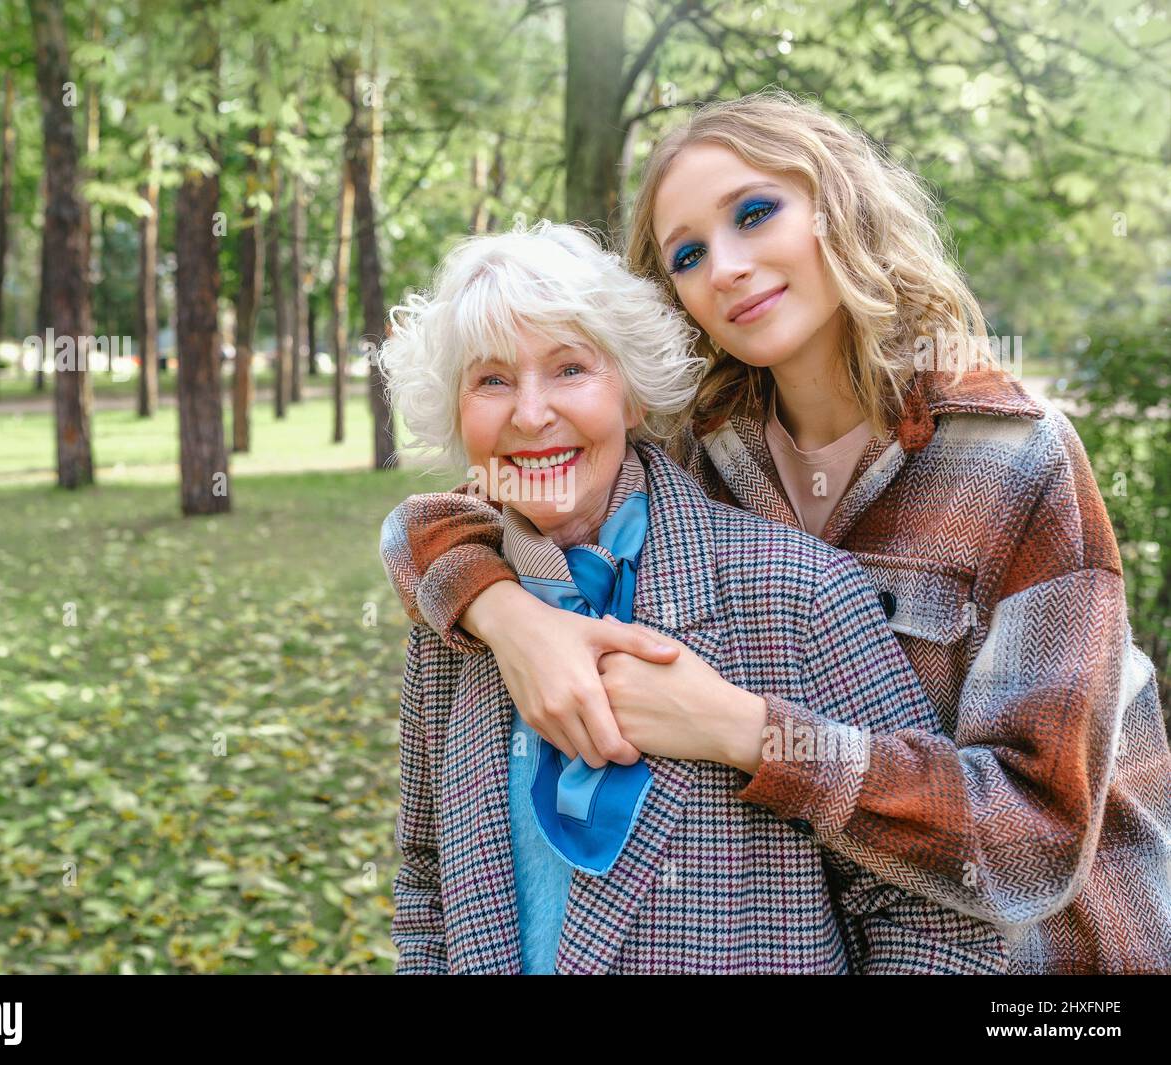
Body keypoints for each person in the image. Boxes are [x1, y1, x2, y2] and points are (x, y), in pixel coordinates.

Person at [379, 91, 1171, 974]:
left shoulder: (1014, 459)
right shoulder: (701, 448)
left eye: (756, 214)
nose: (727, 266)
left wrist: (746, 731)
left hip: (1066, 955)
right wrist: (512, 619)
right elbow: (455, 510)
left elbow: (1040, 834)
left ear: (840, 205)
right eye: (687, 254)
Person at [381, 221, 1005, 974]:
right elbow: (423, 874)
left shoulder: (796, 594)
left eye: (570, 368)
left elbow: (937, 919)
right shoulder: (456, 615)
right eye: (491, 380)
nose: (530, 413)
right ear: (456, 413)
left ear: (632, 395)